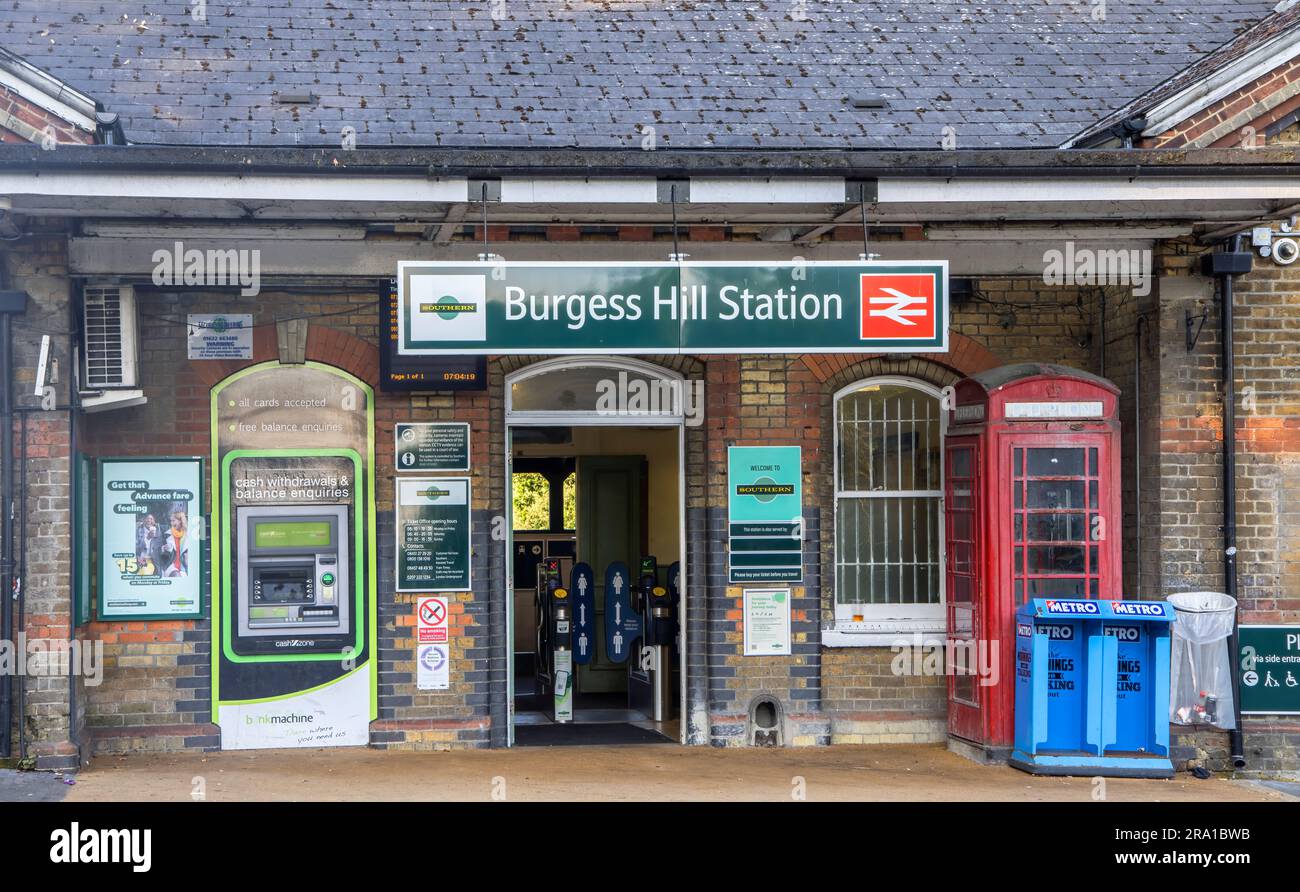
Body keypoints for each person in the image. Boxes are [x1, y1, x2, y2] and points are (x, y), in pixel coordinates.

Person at [160, 507, 189, 578]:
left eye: (173, 521)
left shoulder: (188, 535)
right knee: (176, 576)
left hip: (184, 567)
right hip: (170, 565)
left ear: (180, 521)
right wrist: (165, 549)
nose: (171, 523)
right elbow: (161, 554)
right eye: (170, 521)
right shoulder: (166, 534)